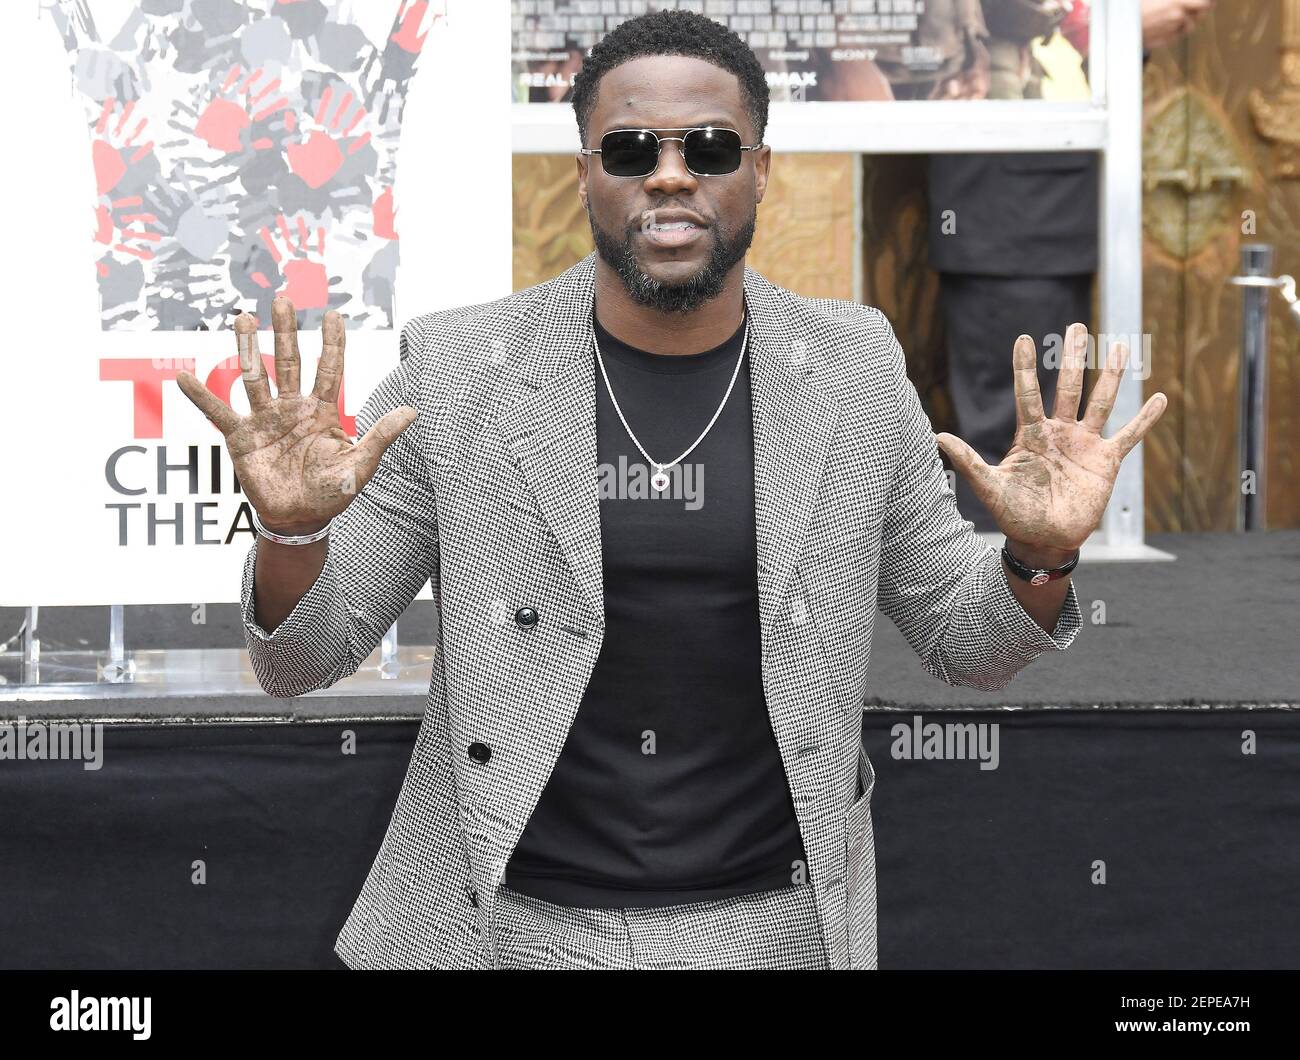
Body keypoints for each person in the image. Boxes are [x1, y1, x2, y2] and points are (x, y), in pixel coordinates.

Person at [176, 9, 1166, 970]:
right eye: (629, 151)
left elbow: (967, 642)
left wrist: (1038, 557)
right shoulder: (460, 368)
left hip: (777, 926)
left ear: (762, 170)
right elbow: (302, 660)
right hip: (504, 927)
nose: (670, 175)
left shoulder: (853, 366)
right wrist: (291, 534)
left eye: (710, 148)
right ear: (582, 176)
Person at [928, 0, 1212, 530]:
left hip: (1050, 213)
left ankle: (1038, 588)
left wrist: (1125, 37)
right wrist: (1119, 29)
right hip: (1006, 212)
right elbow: (970, 27)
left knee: (1053, 441)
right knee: (1012, 442)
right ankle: (999, 600)